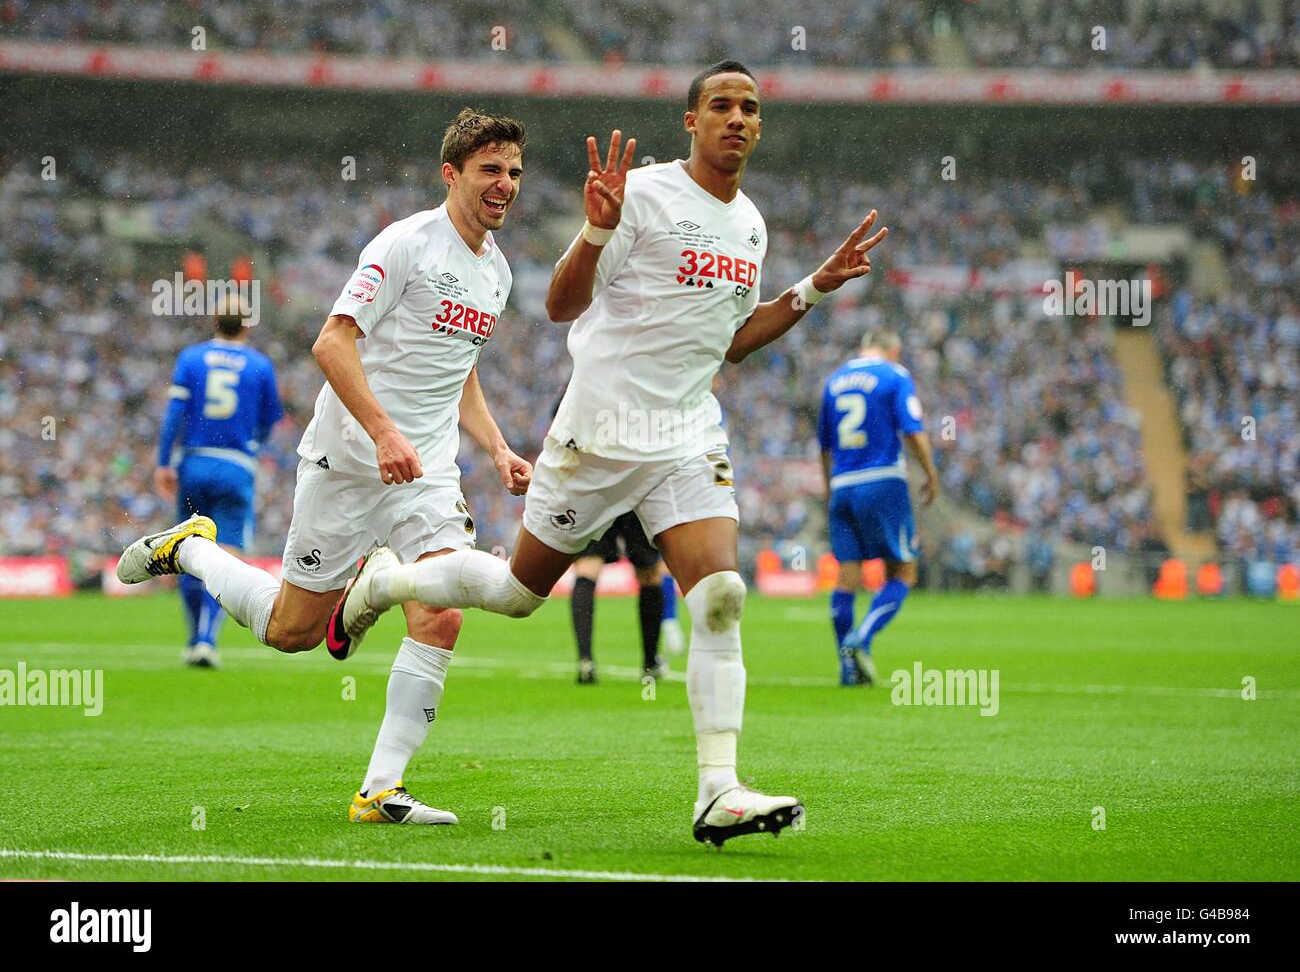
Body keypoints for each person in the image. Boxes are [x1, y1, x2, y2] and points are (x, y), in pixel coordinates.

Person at [336, 60, 889, 846]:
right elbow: (563, 304)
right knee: (519, 594)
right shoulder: (647, 193)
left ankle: (718, 790)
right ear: (691, 122)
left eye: (751, 108)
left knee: (723, 595)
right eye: (721, 105)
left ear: (761, 126)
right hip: (597, 432)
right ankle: (389, 580)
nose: (738, 118)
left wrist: (813, 289)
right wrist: (597, 228)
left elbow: (731, 345)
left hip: (686, 433)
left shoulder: (752, 226)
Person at [118, 108, 533, 826]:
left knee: (440, 618)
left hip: (428, 470)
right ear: (452, 174)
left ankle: (379, 790)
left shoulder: (495, 272)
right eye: (491, 170)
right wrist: (381, 433)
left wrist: (495, 446)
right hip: (349, 459)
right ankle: (189, 549)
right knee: (292, 632)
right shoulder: (406, 244)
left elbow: (459, 370)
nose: (506, 184)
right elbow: (332, 342)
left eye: (515, 172)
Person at [154, 304, 283, 669]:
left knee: (188, 548)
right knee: (225, 554)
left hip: (194, 460)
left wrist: (164, 462)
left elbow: (173, 416)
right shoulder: (259, 365)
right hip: (235, 465)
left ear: (215, 323)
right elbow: (270, 419)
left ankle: (194, 637)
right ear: (246, 328)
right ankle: (208, 639)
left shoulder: (191, 358)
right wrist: (252, 444)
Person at [819, 330, 937, 686]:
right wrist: (931, 472)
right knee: (903, 571)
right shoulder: (895, 375)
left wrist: (829, 488)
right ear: (894, 350)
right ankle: (862, 638)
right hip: (882, 479)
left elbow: (824, 446)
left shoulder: (834, 381)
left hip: (842, 483)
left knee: (847, 575)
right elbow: (912, 429)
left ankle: (847, 669)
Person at [570, 512, 668, 684]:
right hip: (636, 498)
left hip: (599, 496)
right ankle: (650, 664)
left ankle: (586, 660)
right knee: (648, 575)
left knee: (587, 568)